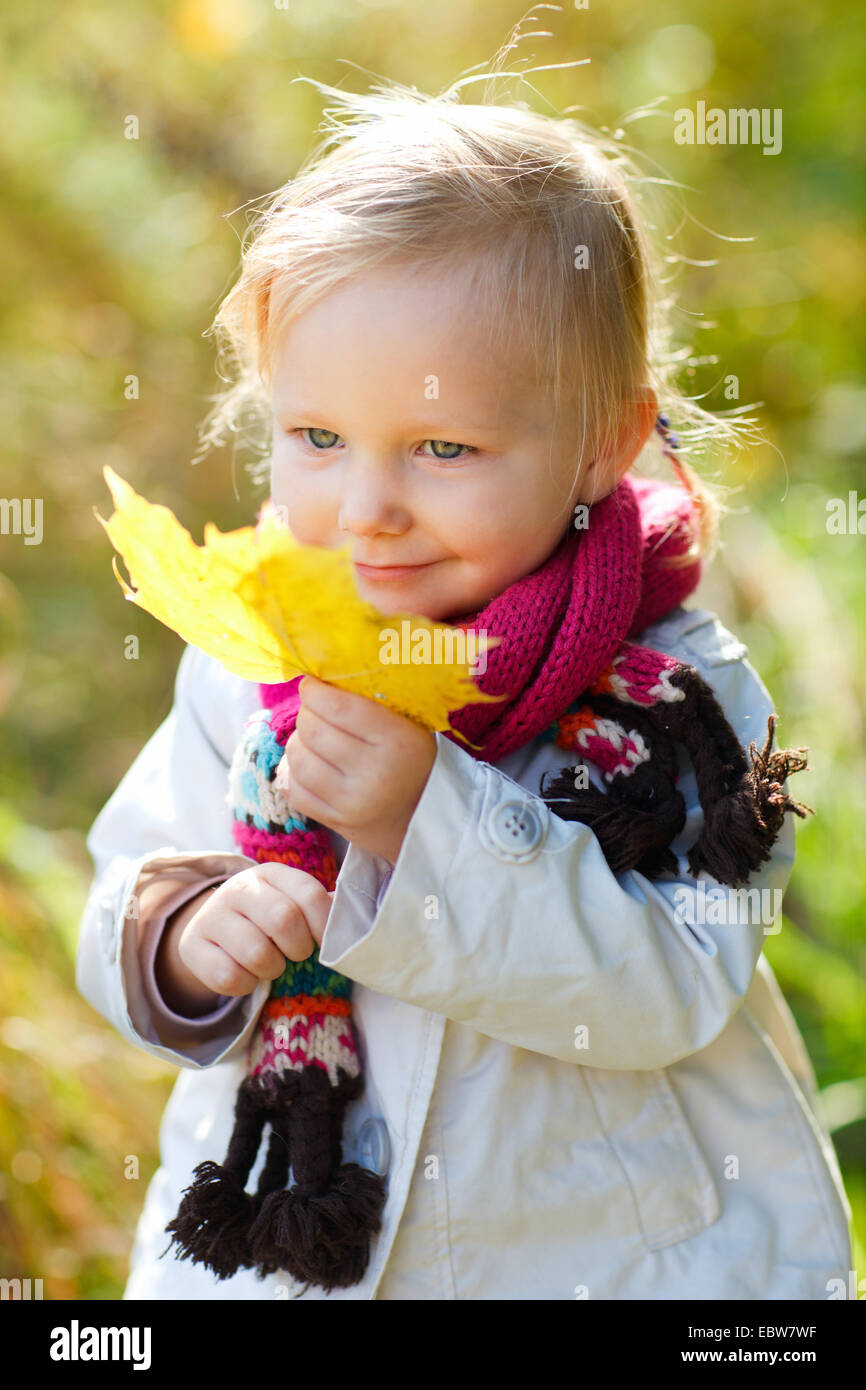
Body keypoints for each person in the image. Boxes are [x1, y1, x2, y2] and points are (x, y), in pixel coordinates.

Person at [77, 76, 853, 1300]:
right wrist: (179, 941)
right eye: (318, 438)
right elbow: (132, 875)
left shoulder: (678, 700)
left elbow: (667, 991)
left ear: (602, 438)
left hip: (607, 1269)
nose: (367, 506)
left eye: (443, 449)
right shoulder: (256, 652)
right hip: (295, 1266)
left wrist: (421, 823)